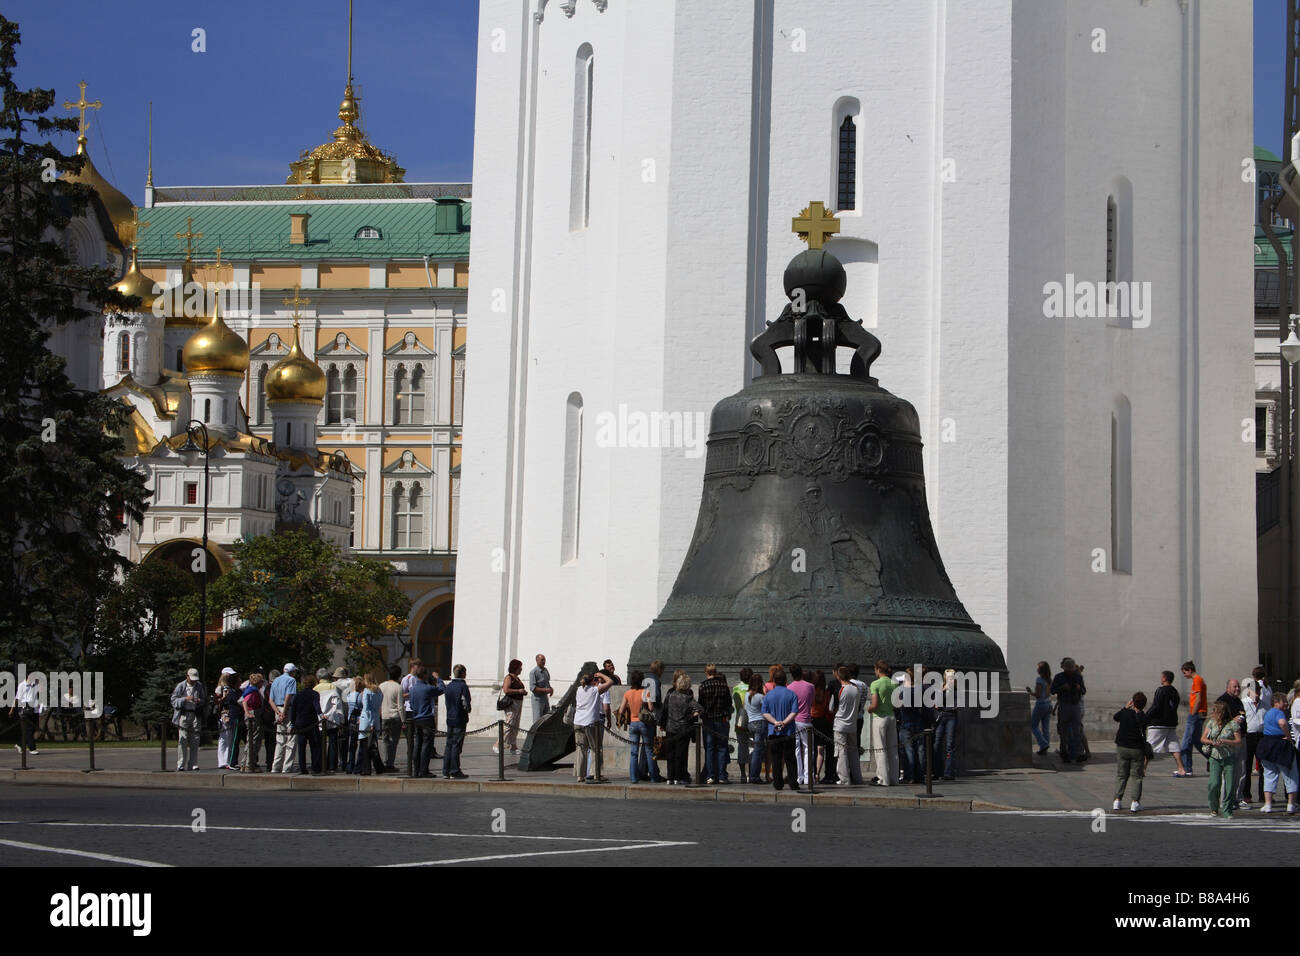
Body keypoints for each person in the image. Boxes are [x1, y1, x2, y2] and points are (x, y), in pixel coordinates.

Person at [1202, 699, 1244, 818]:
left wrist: (1226, 741)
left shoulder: (1232, 725)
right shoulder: (1211, 723)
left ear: (1221, 712)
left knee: (1230, 785)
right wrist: (1212, 742)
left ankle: (1227, 810)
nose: (1213, 712)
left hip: (1229, 757)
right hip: (1215, 757)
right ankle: (1214, 808)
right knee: (1214, 784)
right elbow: (1203, 739)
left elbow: (1239, 741)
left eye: (1215, 710)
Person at [1258, 693, 1298, 814]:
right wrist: (1288, 736)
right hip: (1280, 744)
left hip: (1267, 744)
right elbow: (1282, 723)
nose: (1286, 703)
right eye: (1283, 701)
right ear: (1276, 702)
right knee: (1290, 774)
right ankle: (1291, 805)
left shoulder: (1268, 712)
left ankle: (1268, 804)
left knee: (1269, 775)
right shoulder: (1279, 712)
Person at [762, 668, 800, 791]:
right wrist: (784, 722)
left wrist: (775, 722)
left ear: (774, 681)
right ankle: (793, 782)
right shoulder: (791, 694)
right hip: (788, 730)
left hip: (773, 731)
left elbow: (764, 713)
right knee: (790, 758)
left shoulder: (768, 695)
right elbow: (794, 712)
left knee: (776, 758)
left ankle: (777, 783)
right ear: (785, 680)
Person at [573, 668, 614, 783]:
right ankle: (596, 775)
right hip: (590, 723)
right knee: (595, 749)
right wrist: (601, 674)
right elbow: (610, 682)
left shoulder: (578, 690)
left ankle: (580, 776)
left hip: (578, 722)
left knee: (581, 749)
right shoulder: (595, 690)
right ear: (592, 681)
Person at [1112, 691, 1149, 813]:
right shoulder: (1144, 717)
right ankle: (1135, 802)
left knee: (1121, 775)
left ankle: (1117, 800)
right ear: (1144, 705)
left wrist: (1125, 707)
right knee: (1136, 776)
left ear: (1133, 702)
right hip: (1137, 749)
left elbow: (1115, 717)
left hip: (1122, 747)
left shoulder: (1125, 713)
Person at [662, 673, 703, 785]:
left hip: (670, 727)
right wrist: (691, 715)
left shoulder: (670, 695)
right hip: (683, 728)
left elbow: (664, 710)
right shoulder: (688, 698)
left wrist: (662, 724)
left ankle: (670, 777)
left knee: (670, 754)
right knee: (680, 754)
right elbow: (699, 709)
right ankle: (678, 777)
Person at [896, 666, 933, 784]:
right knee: (920, 750)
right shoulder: (920, 689)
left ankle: (910, 775)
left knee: (909, 750)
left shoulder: (903, 690)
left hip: (906, 723)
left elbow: (898, 705)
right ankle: (920, 775)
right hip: (919, 722)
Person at [698, 664, 733, 785]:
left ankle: (711, 775)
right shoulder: (724, 685)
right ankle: (722, 776)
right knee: (722, 747)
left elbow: (701, 704)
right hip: (722, 719)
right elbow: (729, 702)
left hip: (708, 720)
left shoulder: (703, 686)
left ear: (706, 672)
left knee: (710, 748)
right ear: (716, 672)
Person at [867, 660, 899, 786]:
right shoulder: (894, 683)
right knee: (892, 749)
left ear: (878, 670)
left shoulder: (875, 684)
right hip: (891, 717)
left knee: (880, 749)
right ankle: (894, 778)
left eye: (875, 670)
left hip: (880, 718)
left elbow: (874, 705)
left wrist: (868, 709)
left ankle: (883, 779)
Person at [408, 667, 445, 777]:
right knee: (426, 745)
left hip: (416, 718)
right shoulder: (427, 688)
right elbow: (442, 689)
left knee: (417, 744)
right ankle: (424, 770)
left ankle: (416, 770)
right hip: (427, 718)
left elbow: (411, 703)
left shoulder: (413, 689)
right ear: (424, 675)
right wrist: (438, 678)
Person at [619, 669, 653, 783]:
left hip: (633, 723)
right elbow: (651, 708)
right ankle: (653, 776)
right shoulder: (645, 691)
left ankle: (634, 778)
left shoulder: (628, 693)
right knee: (649, 751)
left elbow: (621, 710)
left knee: (634, 752)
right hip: (643, 723)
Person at [1050, 657, 1086, 763]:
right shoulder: (1059, 677)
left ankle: (1078, 753)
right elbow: (1052, 691)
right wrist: (1062, 688)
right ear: (1064, 669)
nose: (1070, 672)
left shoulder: (1078, 677)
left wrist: (1079, 689)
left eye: (1071, 670)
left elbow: (1084, 690)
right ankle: (1064, 752)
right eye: (1068, 670)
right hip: (1064, 705)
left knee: (1077, 730)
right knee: (1063, 731)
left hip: (1075, 705)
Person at [1175, 660, 1207, 777]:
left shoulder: (1197, 680)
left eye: (1184, 672)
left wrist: (1193, 713)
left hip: (1196, 714)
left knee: (1185, 743)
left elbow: (1198, 699)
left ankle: (1186, 769)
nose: (1184, 675)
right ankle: (1213, 759)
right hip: (1197, 713)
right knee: (1196, 741)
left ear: (1189, 670)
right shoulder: (1197, 680)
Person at [1144, 670, 1181, 771]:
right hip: (1171, 723)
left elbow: (1156, 706)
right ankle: (1181, 769)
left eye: (1161, 677)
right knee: (1174, 746)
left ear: (1164, 678)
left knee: (1149, 746)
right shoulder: (1175, 691)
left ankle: (1142, 769)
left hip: (1158, 724)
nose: (1160, 679)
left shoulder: (1161, 690)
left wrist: (1146, 717)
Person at [170, 667, 206, 771]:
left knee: (195, 740)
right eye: (192, 679)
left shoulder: (199, 686)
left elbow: (204, 700)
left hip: (195, 714)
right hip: (184, 714)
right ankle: (180, 764)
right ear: (187, 677)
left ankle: (193, 763)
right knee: (183, 740)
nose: (194, 681)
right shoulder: (181, 686)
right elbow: (173, 700)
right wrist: (185, 699)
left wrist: (199, 701)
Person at [833, 665, 864, 785]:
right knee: (854, 752)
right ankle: (857, 777)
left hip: (840, 725)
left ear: (839, 676)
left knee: (842, 752)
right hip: (852, 724)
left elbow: (832, 707)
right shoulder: (856, 689)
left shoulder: (840, 690)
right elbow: (859, 707)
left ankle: (844, 779)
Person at [1236, 677, 1264, 808]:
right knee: (1246, 767)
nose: (1257, 693)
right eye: (1254, 691)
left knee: (1263, 767)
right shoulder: (1243, 703)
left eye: (1258, 691)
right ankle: (1246, 795)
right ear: (1248, 691)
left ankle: (1264, 794)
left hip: (1261, 736)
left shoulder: (1265, 704)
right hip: (1249, 736)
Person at [787, 665, 815, 787]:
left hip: (794, 721)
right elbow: (811, 702)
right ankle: (809, 777)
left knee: (796, 749)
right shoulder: (810, 686)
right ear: (802, 673)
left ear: (791, 674)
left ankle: (799, 776)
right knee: (809, 749)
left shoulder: (789, 688)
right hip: (806, 720)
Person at [269, 663, 299, 774]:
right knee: (291, 739)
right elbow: (288, 696)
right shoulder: (291, 680)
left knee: (280, 740)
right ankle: (287, 767)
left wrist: (278, 713)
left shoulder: (275, 681)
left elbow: (270, 700)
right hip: (288, 710)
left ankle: (275, 766)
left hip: (277, 709)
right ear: (292, 672)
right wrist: (284, 712)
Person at [442, 665, 472, 778]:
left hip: (450, 717)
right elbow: (465, 702)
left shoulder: (449, 686)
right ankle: (454, 770)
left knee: (449, 744)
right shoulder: (463, 686)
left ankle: (446, 770)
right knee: (456, 745)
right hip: (459, 718)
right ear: (463, 673)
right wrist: (468, 710)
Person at [291, 673, 323, 775]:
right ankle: (315, 767)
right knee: (315, 745)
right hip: (312, 723)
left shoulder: (298, 695)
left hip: (300, 723)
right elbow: (316, 706)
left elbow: (293, 710)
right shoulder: (315, 694)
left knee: (301, 746)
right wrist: (321, 715)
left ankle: (302, 767)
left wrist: (293, 723)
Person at [356, 674, 386, 775]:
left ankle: (366, 768)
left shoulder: (367, 692)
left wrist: (370, 722)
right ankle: (378, 767)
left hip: (367, 721)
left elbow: (366, 708)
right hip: (376, 718)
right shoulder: (379, 692)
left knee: (366, 746)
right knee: (373, 745)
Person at [641, 661, 666, 782]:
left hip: (643, 715)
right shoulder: (655, 681)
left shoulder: (645, 679)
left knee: (645, 745)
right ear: (659, 670)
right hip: (652, 715)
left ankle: (642, 770)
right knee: (651, 746)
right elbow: (655, 699)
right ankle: (654, 773)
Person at [496, 659, 527, 755]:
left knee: (515, 725)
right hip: (511, 703)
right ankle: (498, 744)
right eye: (519, 667)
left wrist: (523, 692)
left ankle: (513, 746)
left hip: (518, 702)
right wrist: (518, 691)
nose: (521, 669)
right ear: (515, 668)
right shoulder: (509, 677)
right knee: (509, 724)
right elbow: (506, 690)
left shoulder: (517, 678)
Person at [315, 668, 343, 774]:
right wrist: (340, 719)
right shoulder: (333, 687)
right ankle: (332, 765)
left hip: (319, 720)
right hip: (332, 719)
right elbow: (337, 705)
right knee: (332, 743)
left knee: (320, 743)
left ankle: (321, 765)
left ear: (318, 677)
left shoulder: (315, 688)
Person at [933, 668, 958, 780]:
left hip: (951, 716)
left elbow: (957, 704)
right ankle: (936, 771)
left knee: (949, 745)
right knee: (936, 744)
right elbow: (936, 704)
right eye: (949, 678)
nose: (951, 680)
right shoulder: (941, 689)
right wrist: (943, 690)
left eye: (952, 678)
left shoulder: (957, 690)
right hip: (942, 716)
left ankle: (948, 772)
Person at [379, 664, 404, 772]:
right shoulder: (398, 687)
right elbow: (400, 706)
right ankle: (390, 764)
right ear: (398, 676)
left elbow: (379, 702)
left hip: (384, 716)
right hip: (395, 717)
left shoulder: (381, 686)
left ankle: (385, 761)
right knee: (394, 741)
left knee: (385, 740)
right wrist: (404, 720)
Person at [9, 671, 42, 754]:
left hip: (34, 709)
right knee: (29, 728)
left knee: (33, 728)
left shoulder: (35, 685)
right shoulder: (22, 685)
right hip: (25, 709)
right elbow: (17, 697)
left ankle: (19, 744)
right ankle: (32, 748)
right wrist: (12, 709)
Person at [811, 670, 835, 784]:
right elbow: (828, 708)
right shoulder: (826, 693)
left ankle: (811, 772)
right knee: (820, 749)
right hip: (822, 721)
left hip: (811, 720)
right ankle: (817, 774)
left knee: (811, 749)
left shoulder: (811, 691)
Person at [215, 672, 242, 770]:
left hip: (229, 715)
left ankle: (227, 760)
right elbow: (220, 702)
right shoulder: (222, 689)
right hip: (225, 715)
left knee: (230, 739)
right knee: (224, 738)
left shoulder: (234, 690)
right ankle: (223, 761)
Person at [744, 675, 767, 784]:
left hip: (750, 724)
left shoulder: (746, 695)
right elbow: (767, 709)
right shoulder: (760, 696)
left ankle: (752, 775)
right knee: (758, 751)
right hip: (760, 723)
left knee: (754, 750)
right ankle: (754, 776)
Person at [732, 668, 754, 784]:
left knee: (741, 748)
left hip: (740, 721)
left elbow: (736, 706)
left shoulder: (736, 689)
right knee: (752, 748)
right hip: (752, 721)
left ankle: (742, 775)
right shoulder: (754, 689)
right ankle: (751, 774)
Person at [240, 674, 265, 772]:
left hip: (253, 712)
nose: (262, 683)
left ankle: (245, 763)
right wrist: (247, 713)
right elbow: (245, 701)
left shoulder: (250, 689)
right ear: (257, 682)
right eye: (261, 681)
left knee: (250, 740)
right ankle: (249, 764)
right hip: (253, 713)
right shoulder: (253, 691)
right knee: (254, 740)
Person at [1027, 661, 1052, 755]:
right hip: (1049, 704)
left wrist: (1030, 692)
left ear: (1041, 670)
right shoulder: (1049, 680)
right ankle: (1044, 748)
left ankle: (1043, 744)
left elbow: (1038, 695)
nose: (1037, 669)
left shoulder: (1039, 680)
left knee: (1033, 725)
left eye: (1038, 668)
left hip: (1041, 704)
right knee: (1045, 728)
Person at [528, 654, 553, 724]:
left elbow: (547, 682)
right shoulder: (533, 672)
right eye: (542, 660)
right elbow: (532, 688)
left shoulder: (545, 671)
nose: (543, 662)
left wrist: (551, 689)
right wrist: (546, 690)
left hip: (545, 698)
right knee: (537, 721)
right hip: (537, 700)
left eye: (544, 660)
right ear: (537, 660)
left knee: (547, 719)